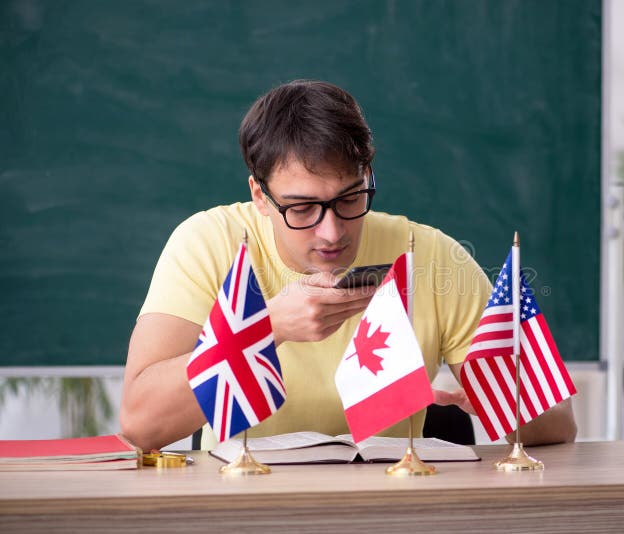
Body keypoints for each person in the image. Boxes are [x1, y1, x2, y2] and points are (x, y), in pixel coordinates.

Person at [119, 80, 577, 451]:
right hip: (246, 506)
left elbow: (560, 423)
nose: (332, 232)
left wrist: (499, 401)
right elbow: (141, 424)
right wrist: (266, 326)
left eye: (350, 198)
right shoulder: (207, 243)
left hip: (391, 507)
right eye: (301, 209)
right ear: (260, 196)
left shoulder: (429, 251)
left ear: (368, 176)